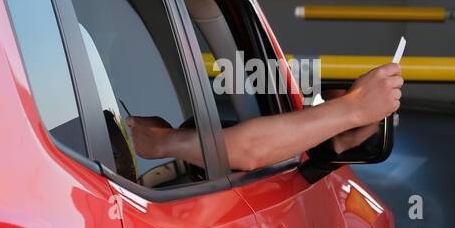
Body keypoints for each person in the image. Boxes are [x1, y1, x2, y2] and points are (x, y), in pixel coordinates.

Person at [127, 62, 403, 173]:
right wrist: (352, 108)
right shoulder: (298, 143)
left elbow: (252, 149)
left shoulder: (299, 144)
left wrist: (164, 141)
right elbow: (250, 150)